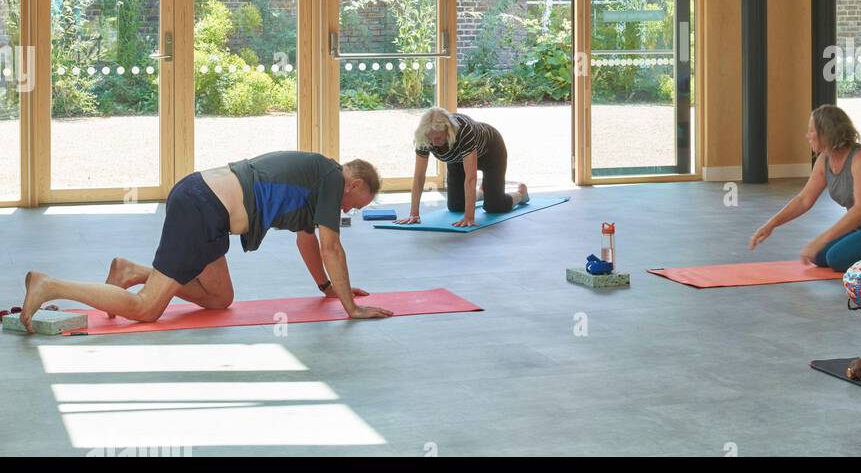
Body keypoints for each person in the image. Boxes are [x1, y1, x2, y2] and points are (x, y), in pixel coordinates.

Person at [20, 152, 392, 329]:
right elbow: (332, 246)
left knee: (219, 298)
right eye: (352, 204)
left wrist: (327, 287)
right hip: (202, 207)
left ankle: (131, 270)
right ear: (353, 184)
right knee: (147, 309)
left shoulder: (318, 180)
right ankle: (50, 285)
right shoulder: (330, 177)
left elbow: (308, 241)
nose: (347, 210)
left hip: (212, 214)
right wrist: (351, 309)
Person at [748, 104, 861, 270]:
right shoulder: (824, 159)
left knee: (837, 259)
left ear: (827, 133)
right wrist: (771, 225)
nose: (807, 135)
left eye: (811, 130)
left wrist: (820, 239)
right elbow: (804, 200)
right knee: (818, 256)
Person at [398, 107, 528, 229]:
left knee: (494, 206)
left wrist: (469, 217)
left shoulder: (464, 130)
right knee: (456, 206)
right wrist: (413, 214)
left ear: (448, 131)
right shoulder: (424, 136)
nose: (433, 143)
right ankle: (483, 192)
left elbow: (471, 178)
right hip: (458, 159)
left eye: (438, 138)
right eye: (430, 139)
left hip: (491, 153)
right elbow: (419, 176)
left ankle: (521, 194)